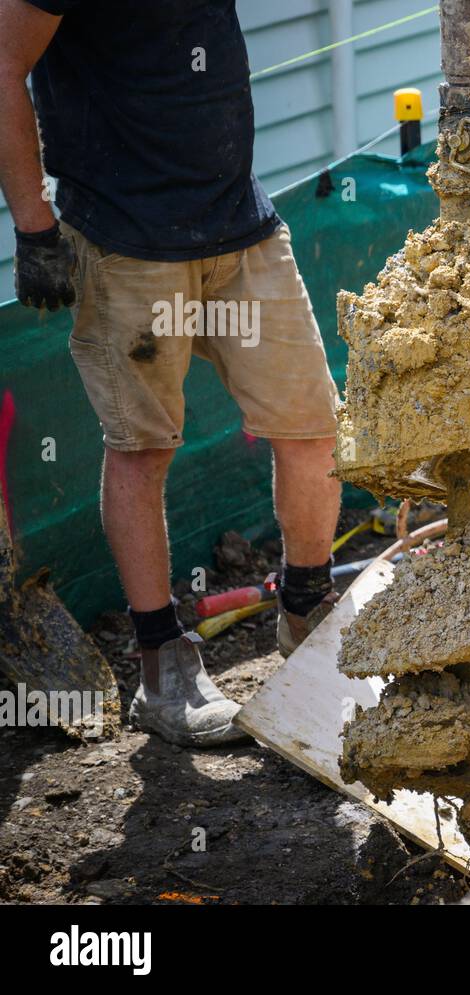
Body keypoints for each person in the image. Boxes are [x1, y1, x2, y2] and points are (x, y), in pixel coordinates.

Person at [0, 0, 342, 746]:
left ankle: (307, 612)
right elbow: (4, 64)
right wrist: (33, 225)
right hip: (127, 242)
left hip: (240, 225)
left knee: (315, 427)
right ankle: (162, 668)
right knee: (143, 448)